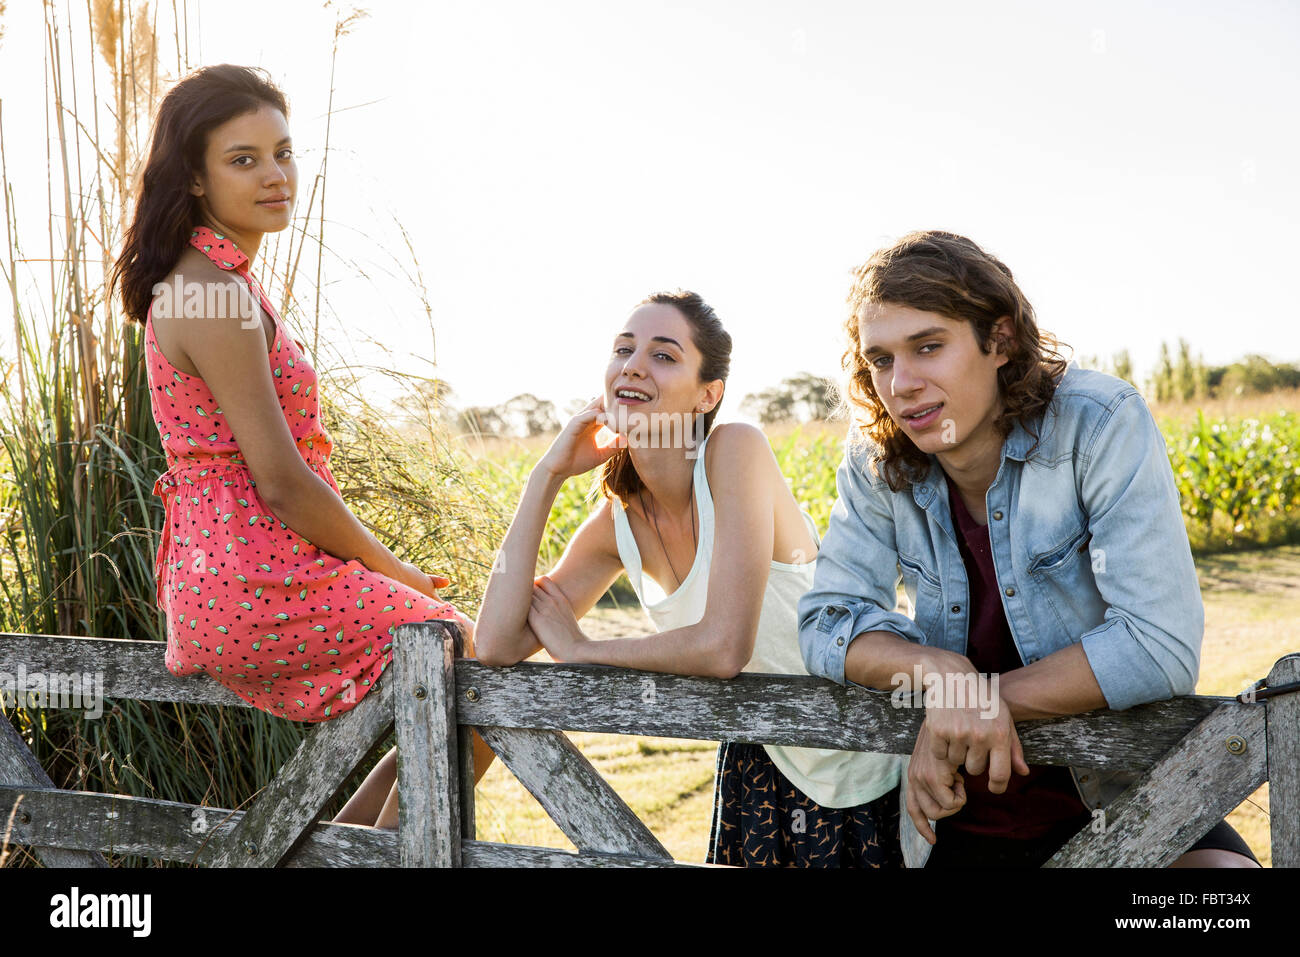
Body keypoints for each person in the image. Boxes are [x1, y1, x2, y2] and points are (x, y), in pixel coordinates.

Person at [798, 230, 1259, 868]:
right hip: (958, 821)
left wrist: (981, 700)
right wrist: (940, 674)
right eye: (880, 359)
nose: (901, 383)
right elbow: (827, 622)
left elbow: (1160, 645)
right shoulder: (875, 460)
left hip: (1128, 803)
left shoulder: (1098, 423)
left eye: (928, 346)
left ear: (1001, 340)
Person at [110, 64, 492, 828]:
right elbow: (281, 480)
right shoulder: (211, 290)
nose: (275, 175)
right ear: (192, 177)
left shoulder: (215, 279)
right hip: (249, 574)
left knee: (452, 688)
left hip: (226, 568)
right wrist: (391, 566)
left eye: (283, 152)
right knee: (458, 656)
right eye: (243, 159)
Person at [474, 290, 904, 867]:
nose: (632, 364)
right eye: (623, 349)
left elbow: (724, 646)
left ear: (708, 394)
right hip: (761, 758)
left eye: (663, 355)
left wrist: (584, 649)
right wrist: (546, 475)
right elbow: (498, 644)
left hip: (861, 757)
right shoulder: (618, 521)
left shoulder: (735, 451)